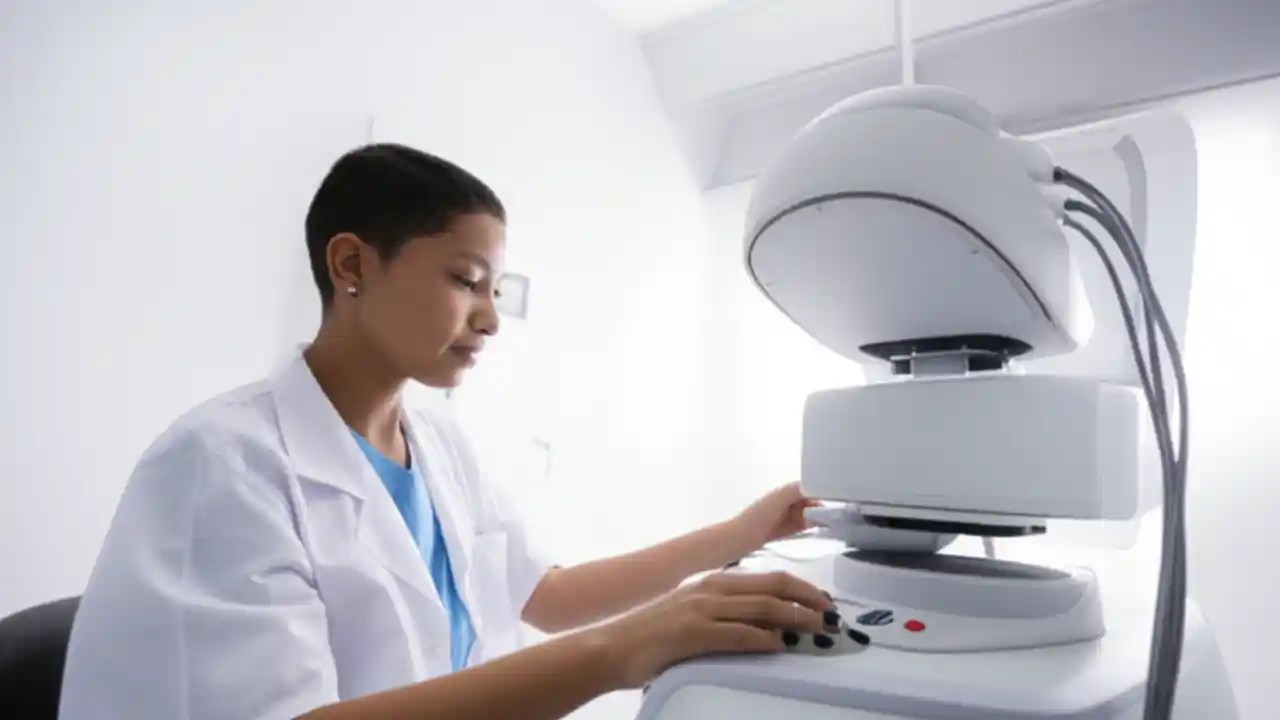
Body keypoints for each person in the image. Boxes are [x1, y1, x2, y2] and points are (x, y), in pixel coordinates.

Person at [59, 144, 839, 720]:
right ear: (351, 265)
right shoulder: (221, 464)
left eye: (495, 289)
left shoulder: (436, 443)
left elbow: (548, 596)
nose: (492, 318)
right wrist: (621, 649)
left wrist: (738, 534)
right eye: (466, 281)